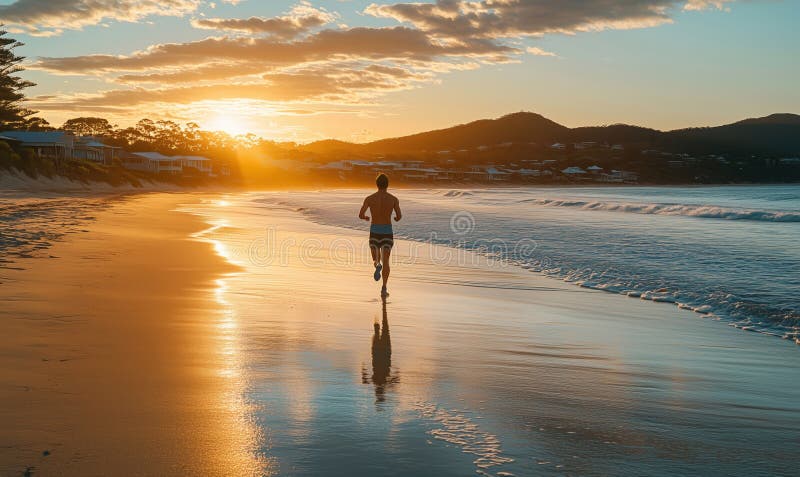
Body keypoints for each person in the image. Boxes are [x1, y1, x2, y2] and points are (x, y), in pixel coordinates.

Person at [359, 173, 402, 297]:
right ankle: (384, 288)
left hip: (375, 231)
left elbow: (361, 214)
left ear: (376, 184)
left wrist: (366, 217)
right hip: (387, 232)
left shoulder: (369, 198)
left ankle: (377, 265)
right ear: (387, 184)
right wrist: (396, 218)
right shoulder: (393, 199)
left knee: (376, 258)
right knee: (387, 261)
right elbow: (399, 216)